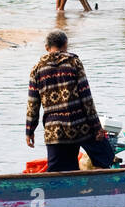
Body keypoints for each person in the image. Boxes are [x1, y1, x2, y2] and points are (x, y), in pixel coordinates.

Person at [26, 31, 115, 172]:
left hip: (54, 130)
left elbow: (33, 103)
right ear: (66, 45)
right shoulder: (74, 63)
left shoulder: (37, 69)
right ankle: (98, 186)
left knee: (58, 170)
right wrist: (97, 126)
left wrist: (29, 130)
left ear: (46, 47)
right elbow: (86, 98)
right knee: (105, 156)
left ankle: (63, 192)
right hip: (80, 124)